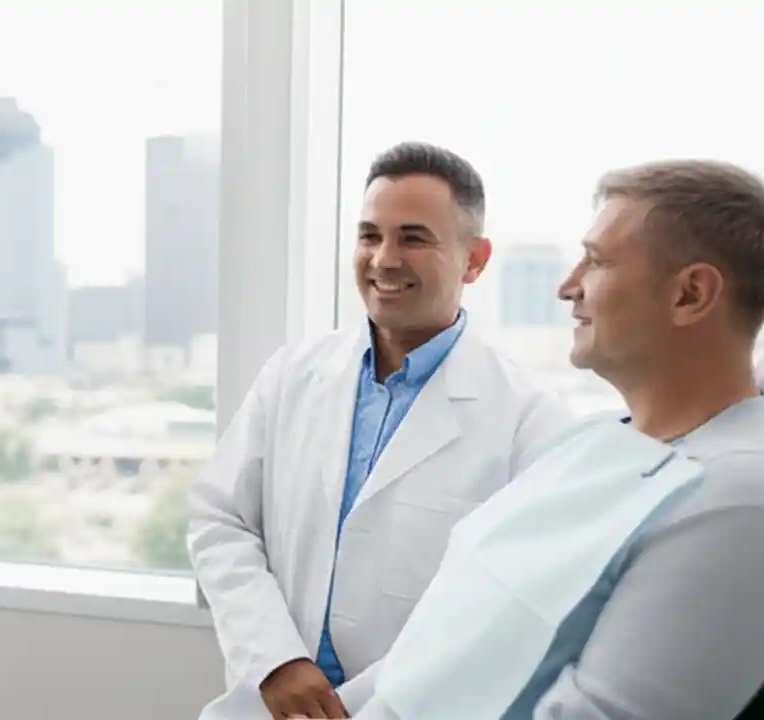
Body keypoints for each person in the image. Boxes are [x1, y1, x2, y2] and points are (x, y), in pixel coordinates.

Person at [345, 159, 764, 719]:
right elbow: (437, 648)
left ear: (690, 295)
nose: (568, 287)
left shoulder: (737, 505)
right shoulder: (590, 442)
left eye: (598, 260)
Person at [187, 142, 574, 720]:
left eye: (413, 238)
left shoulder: (530, 421)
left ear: (475, 259)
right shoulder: (295, 375)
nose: (384, 259)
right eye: (370, 235)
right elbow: (221, 520)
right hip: (266, 703)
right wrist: (275, 661)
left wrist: (362, 706)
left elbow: (507, 605)